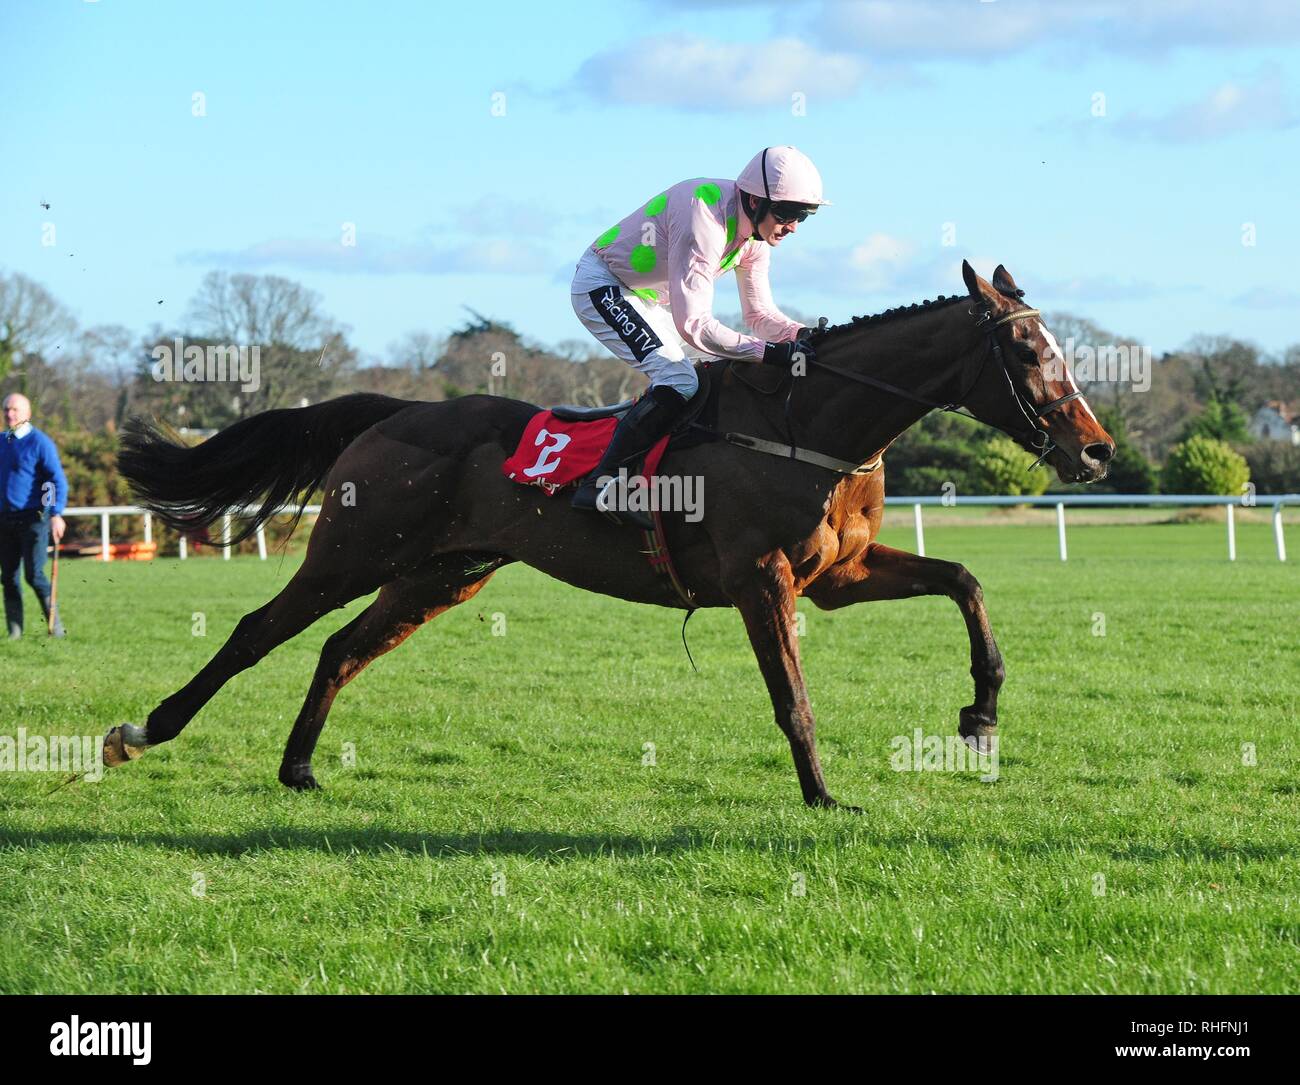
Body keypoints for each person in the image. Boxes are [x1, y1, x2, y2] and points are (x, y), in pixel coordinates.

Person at [569, 145, 828, 526]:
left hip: (651, 301)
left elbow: (759, 315)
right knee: (679, 379)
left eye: (803, 216)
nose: (792, 227)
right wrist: (772, 354)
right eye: (788, 214)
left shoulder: (754, 238)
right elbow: (694, 325)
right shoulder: (703, 216)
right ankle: (601, 485)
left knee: (704, 379)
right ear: (755, 200)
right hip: (605, 285)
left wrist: (798, 334)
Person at [1, 393, 67, 638]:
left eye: (15, 409)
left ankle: (55, 627)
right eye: (6, 409)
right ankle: (14, 633)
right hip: (5, 520)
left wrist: (55, 512)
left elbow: (55, 480)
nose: (9, 414)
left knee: (34, 574)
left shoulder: (40, 443)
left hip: (34, 519)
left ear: (27, 413)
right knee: (8, 577)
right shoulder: (1, 442)